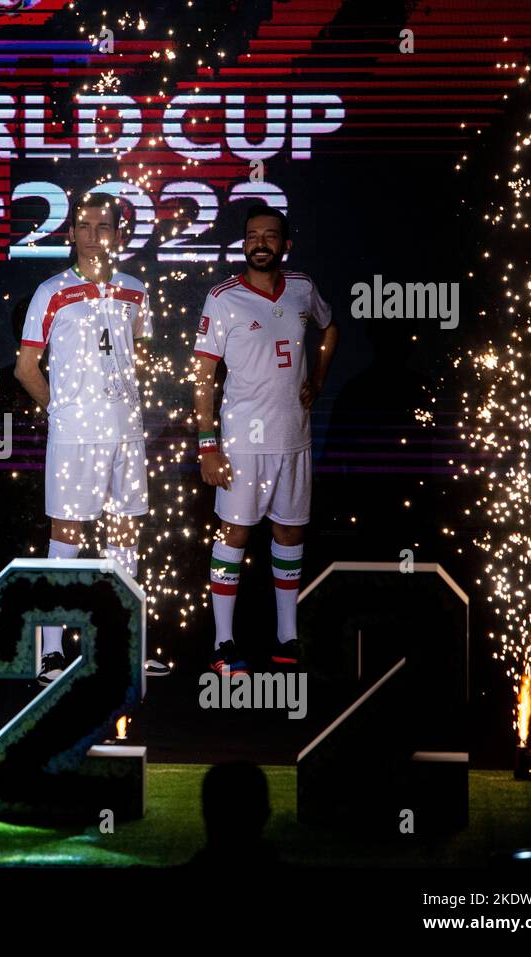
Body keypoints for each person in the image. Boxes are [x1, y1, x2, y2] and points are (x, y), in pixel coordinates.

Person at [14, 192, 155, 685]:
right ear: (70, 234)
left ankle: (124, 645)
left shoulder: (136, 290)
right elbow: (25, 368)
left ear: (119, 234)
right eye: (85, 226)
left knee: (126, 537)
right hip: (76, 436)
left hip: (128, 433)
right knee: (66, 538)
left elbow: (140, 357)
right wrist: (64, 410)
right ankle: (51, 652)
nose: (94, 235)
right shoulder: (50, 291)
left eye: (104, 226)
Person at [192, 204, 339, 675]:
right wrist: (208, 445)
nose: (260, 243)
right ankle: (222, 642)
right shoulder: (223, 298)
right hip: (241, 444)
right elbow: (203, 376)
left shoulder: (302, 289)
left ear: (284, 244)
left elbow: (330, 327)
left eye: (269, 236)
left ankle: (287, 636)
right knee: (234, 535)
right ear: (243, 244)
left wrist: (317, 376)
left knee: (290, 531)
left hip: (293, 439)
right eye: (252, 235)